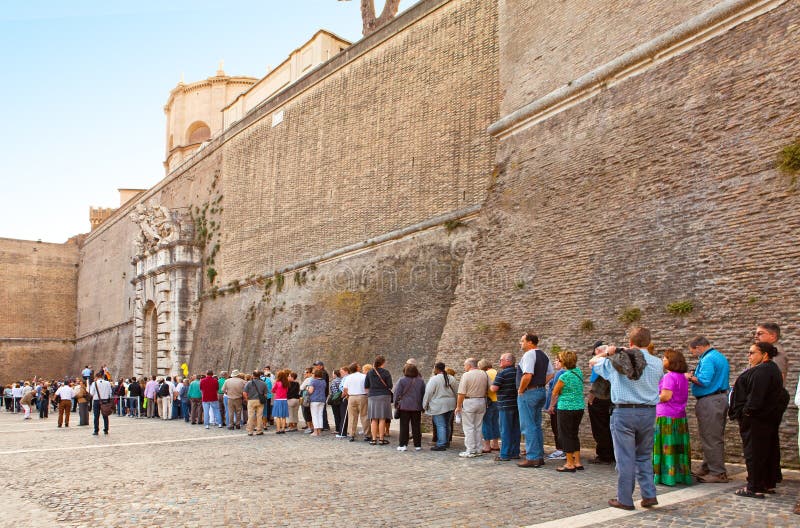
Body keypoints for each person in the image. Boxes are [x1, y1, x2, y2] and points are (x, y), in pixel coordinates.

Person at [590, 327, 663, 510]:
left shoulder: (616, 362)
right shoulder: (657, 362)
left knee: (625, 457)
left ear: (630, 343)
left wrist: (608, 352)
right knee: (644, 455)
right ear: (648, 342)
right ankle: (649, 494)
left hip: (624, 412)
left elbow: (592, 362)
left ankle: (625, 498)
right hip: (648, 412)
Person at [729, 341, 788, 499]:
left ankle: (754, 486)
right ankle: (765, 483)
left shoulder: (763, 371)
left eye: (752, 352)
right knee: (765, 451)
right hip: (764, 419)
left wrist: (746, 413)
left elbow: (757, 397)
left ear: (765, 354)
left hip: (756, 419)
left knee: (755, 452)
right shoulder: (770, 369)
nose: (749, 356)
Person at [686, 336, 730, 483]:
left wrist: (689, 377)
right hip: (719, 398)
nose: (693, 354)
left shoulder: (708, 359)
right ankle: (708, 466)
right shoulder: (718, 356)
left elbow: (704, 381)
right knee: (712, 434)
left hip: (710, 399)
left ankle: (718, 472)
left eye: (693, 351)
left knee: (711, 436)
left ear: (699, 347)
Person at [654, 349, 691, 486]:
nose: (663, 360)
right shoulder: (683, 377)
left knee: (666, 447)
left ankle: (667, 475)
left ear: (672, 361)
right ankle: (680, 474)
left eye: (665, 358)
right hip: (680, 415)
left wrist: (652, 398)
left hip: (666, 416)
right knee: (678, 447)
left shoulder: (669, 377)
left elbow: (666, 396)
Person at [517, 333, 554, 468]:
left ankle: (533, 457)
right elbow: (551, 373)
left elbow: (527, 374)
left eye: (522, 341)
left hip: (529, 393)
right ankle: (538, 455)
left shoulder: (529, 354)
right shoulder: (544, 355)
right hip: (539, 392)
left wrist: (521, 390)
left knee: (528, 425)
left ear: (530, 342)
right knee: (536, 424)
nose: (520, 343)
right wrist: (540, 384)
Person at [547, 350, 584, 472]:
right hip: (579, 407)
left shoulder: (563, 376)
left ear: (564, 362)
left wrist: (551, 406)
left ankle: (569, 463)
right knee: (574, 434)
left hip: (565, 408)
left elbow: (555, 392)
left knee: (565, 435)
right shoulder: (578, 372)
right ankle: (577, 462)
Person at [455, 357, 489, 458]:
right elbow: (490, 387)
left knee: (469, 427)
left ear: (469, 365)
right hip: (482, 401)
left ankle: (470, 450)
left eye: (465, 365)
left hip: (469, 401)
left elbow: (461, 393)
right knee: (478, 426)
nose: (464, 367)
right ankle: (478, 449)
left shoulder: (466, 375)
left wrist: (458, 406)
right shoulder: (484, 374)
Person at [490, 353, 520, 461]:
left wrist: (490, 385)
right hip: (516, 404)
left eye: (501, 360)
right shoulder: (518, 372)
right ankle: (515, 452)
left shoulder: (502, 373)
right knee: (516, 429)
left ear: (508, 361)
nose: (499, 362)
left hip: (505, 405)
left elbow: (494, 388)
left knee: (505, 430)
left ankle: (505, 454)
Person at [423, 362, 457, 451]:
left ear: (436, 369)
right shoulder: (451, 378)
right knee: (447, 424)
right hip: (450, 404)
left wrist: (424, 405)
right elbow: (457, 392)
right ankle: (446, 442)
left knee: (440, 425)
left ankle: (441, 444)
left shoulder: (434, 379)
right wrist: (458, 404)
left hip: (438, 405)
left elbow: (428, 393)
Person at [393, 363, 425, 451]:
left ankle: (403, 445)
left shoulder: (401, 380)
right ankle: (417, 445)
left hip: (404, 407)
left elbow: (397, 393)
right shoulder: (421, 381)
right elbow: (423, 394)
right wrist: (423, 406)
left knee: (404, 426)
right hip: (417, 407)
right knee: (416, 426)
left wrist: (395, 404)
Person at [364, 356, 393, 445]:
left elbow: (366, 386)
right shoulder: (386, 372)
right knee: (382, 418)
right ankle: (381, 439)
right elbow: (390, 385)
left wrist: (370, 393)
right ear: (382, 363)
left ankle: (373, 439)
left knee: (373, 419)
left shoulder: (369, 373)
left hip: (372, 396)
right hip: (384, 396)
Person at [544, 355, 566, 461]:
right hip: (558, 406)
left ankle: (560, 450)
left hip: (556, 407)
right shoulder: (562, 373)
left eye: (557, 361)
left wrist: (551, 406)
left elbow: (556, 391)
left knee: (557, 428)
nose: (555, 362)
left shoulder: (560, 373)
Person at [342, 362, 368, 441]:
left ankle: (351, 434)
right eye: (358, 366)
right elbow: (367, 387)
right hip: (362, 396)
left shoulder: (348, 377)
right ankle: (367, 434)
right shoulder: (364, 376)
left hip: (351, 397)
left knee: (352, 417)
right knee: (364, 416)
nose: (360, 367)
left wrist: (347, 395)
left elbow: (345, 389)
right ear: (357, 368)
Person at [479, 359, 500, 454]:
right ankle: (495, 444)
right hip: (498, 401)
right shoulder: (497, 372)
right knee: (495, 422)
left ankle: (487, 445)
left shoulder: (485, 374)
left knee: (486, 422)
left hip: (489, 402)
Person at [243, 370, 268, 436]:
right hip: (260, 401)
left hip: (251, 400)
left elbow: (244, 393)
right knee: (259, 416)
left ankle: (250, 431)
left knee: (251, 416)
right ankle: (259, 430)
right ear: (259, 375)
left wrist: (247, 399)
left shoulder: (249, 383)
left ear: (253, 375)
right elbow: (265, 394)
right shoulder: (263, 383)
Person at [307, 369, 327, 436]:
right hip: (322, 400)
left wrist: (307, 389)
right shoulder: (323, 381)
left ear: (315, 374)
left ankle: (315, 431)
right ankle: (319, 431)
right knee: (320, 415)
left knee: (314, 415)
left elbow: (310, 391)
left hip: (314, 400)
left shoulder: (313, 381)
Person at [271, 369, 289, 434]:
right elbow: (286, 391)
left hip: (278, 400)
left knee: (278, 416)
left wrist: (277, 391)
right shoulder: (286, 383)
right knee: (283, 416)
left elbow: (272, 390)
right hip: (284, 400)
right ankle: (283, 429)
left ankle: (278, 429)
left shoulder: (277, 383)